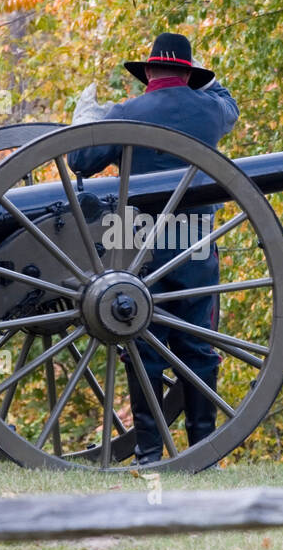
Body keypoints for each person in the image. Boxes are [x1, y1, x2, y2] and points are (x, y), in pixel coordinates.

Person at [68, 32, 238, 465]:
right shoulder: (210, 112)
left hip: (136, 240)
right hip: (193, 239)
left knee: (143, 344)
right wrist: (203, 81)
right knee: (198, 343)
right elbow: (227, 100)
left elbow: (80, 163)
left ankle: (147, 452)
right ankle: (204, 451)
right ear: (188, 73)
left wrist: (90, 117)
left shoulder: (128, 113)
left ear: (147, 73)